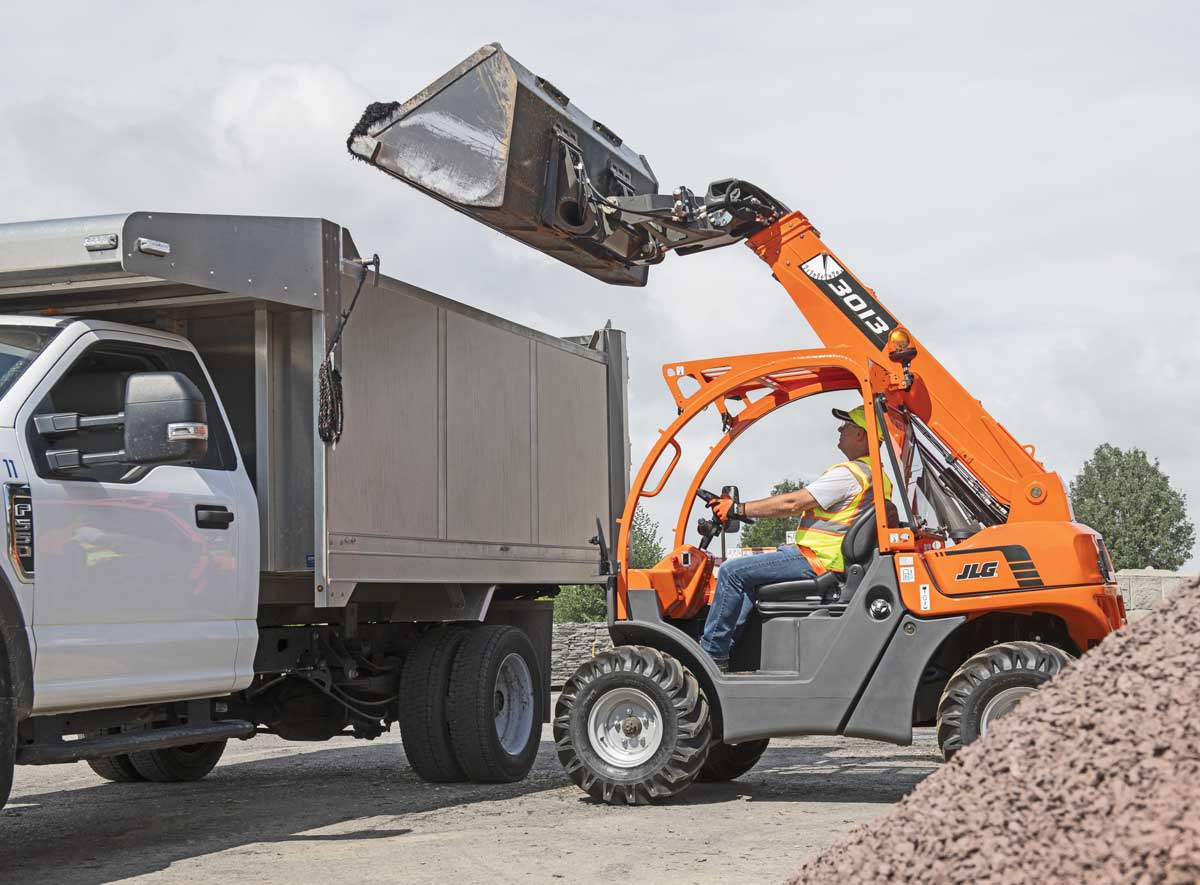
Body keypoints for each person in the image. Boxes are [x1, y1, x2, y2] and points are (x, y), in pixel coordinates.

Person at [699, 405, 893, 672]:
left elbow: (792, 502)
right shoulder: (879, 477)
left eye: (846, 425)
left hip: (817, 558)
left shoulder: (849, 474)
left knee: (732, 572)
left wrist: (737, 509)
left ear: (861, 434)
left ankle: (709, 658)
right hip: (832, 560)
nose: (839, 429)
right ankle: (733, 654)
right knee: (746, 580)